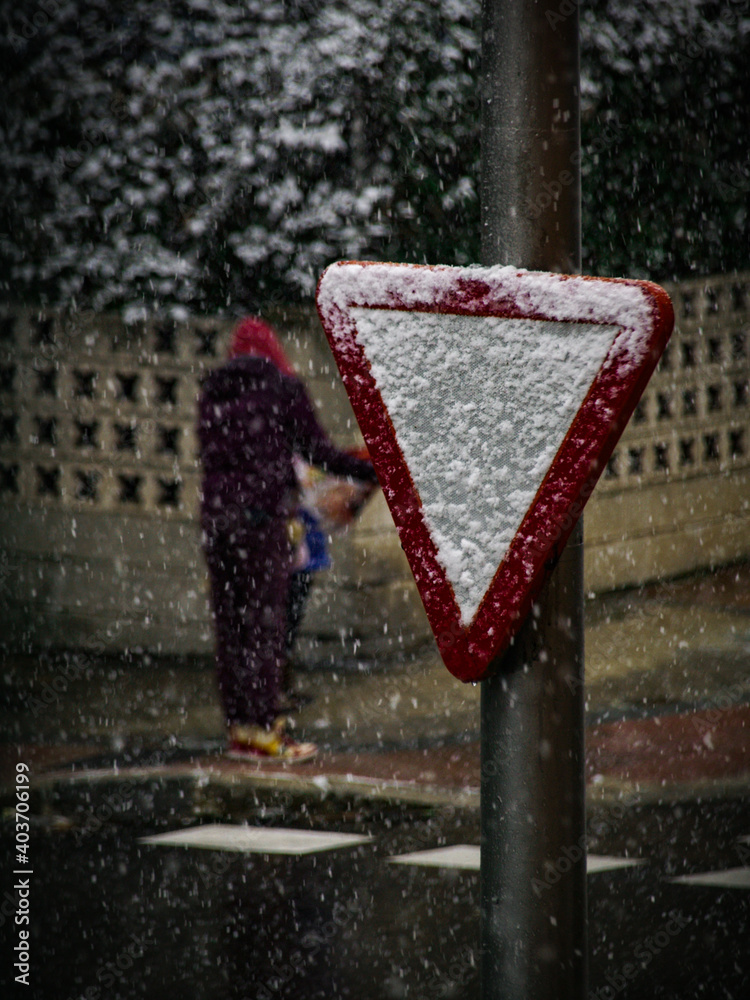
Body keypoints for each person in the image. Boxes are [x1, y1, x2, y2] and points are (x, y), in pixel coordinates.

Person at [197, 317, 378, 761]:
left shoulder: (212, 393)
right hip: (261, 522)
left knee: (232, 626)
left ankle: (241, 729)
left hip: (218, 523)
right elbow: (319, 452)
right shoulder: (282, 389)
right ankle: (264, 731)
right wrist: (376, 471)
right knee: (263, 625)